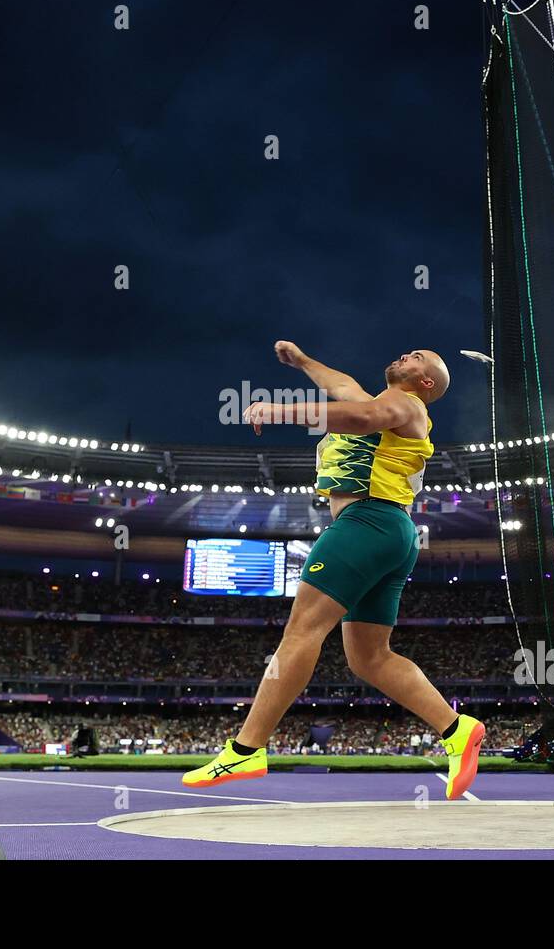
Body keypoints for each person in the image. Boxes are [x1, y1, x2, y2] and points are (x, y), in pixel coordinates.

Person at [182, 341, 485, 799]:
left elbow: (360, 418)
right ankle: (457, 729)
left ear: (426, 383)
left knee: (302, 630)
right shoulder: (384, 403)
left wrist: (280, 411)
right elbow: (342, 386)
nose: (406, 354)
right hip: (391, 532)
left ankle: (246, 749)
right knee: (369, 657)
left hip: (365, 523)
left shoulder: (405, 404)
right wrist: (303, 362)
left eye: (418, 357)